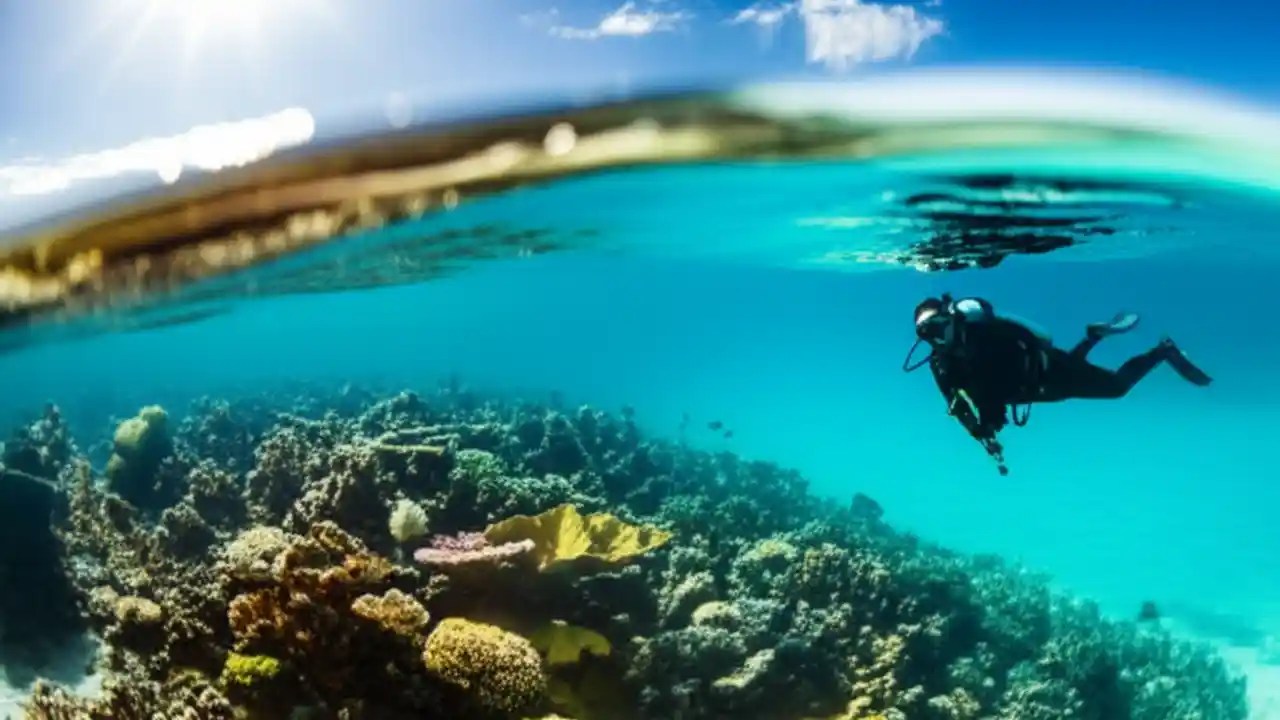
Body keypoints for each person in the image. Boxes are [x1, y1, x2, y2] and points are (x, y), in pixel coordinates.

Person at [904, 293, 1212, 475]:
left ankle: (1162, 351)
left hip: (1045, 376)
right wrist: (981, 433)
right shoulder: (942, 361)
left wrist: (984, 428)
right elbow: (958, 404)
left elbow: (984, 390)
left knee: (1116, 388)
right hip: (1044, 376)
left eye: (935, 327)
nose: (934, 336)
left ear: (950, 318)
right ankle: (1092, 337)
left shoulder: (976, 340)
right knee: (1073, 379)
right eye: (925, 332)